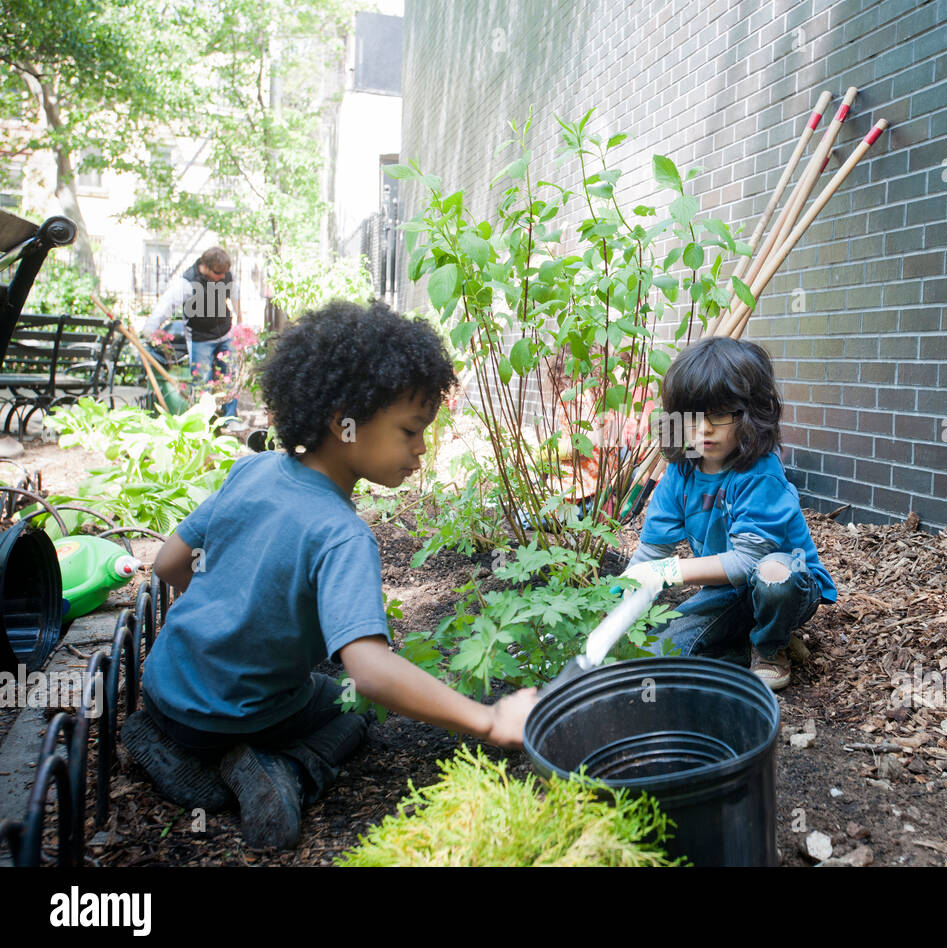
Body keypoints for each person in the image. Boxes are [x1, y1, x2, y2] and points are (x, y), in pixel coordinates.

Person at [123, 300, 537, 848]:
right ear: (342, 417)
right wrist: (488, 720)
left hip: (164, 689)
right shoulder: (342, 534)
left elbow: (168, 563)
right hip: (247, 713)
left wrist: (235, 611)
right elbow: (370, 671)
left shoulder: (250, 469)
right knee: (351, 705)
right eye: (410, 431)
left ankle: (175, 751)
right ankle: (289, 769)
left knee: (286, 695)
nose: (421, 451)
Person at [619, 337, 836, 691]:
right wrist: (620, 601)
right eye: (693, 416)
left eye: (719, 414)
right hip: (726, 592)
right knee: (661, 647)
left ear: (752, 414)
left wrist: (667, 572)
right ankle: (743, 642)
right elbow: (651, 552)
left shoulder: (760, 472)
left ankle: (770, 646)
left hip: (785, 587)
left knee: (772, 574)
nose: (703, 429)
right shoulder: (680, 472)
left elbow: (748, 561)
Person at [140, 245, 245, 426]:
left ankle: (230, 418)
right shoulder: (187, 283)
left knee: (230, 376)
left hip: (225, 333)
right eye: (218, 273)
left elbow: (235, 295)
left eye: (224, 273)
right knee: (202, 381)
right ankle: (204, 421)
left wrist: (240, 323)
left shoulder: (226, 274)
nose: (222, 277)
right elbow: (165, 307)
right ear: (205, 267)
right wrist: (150, 330)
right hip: (199, 339)